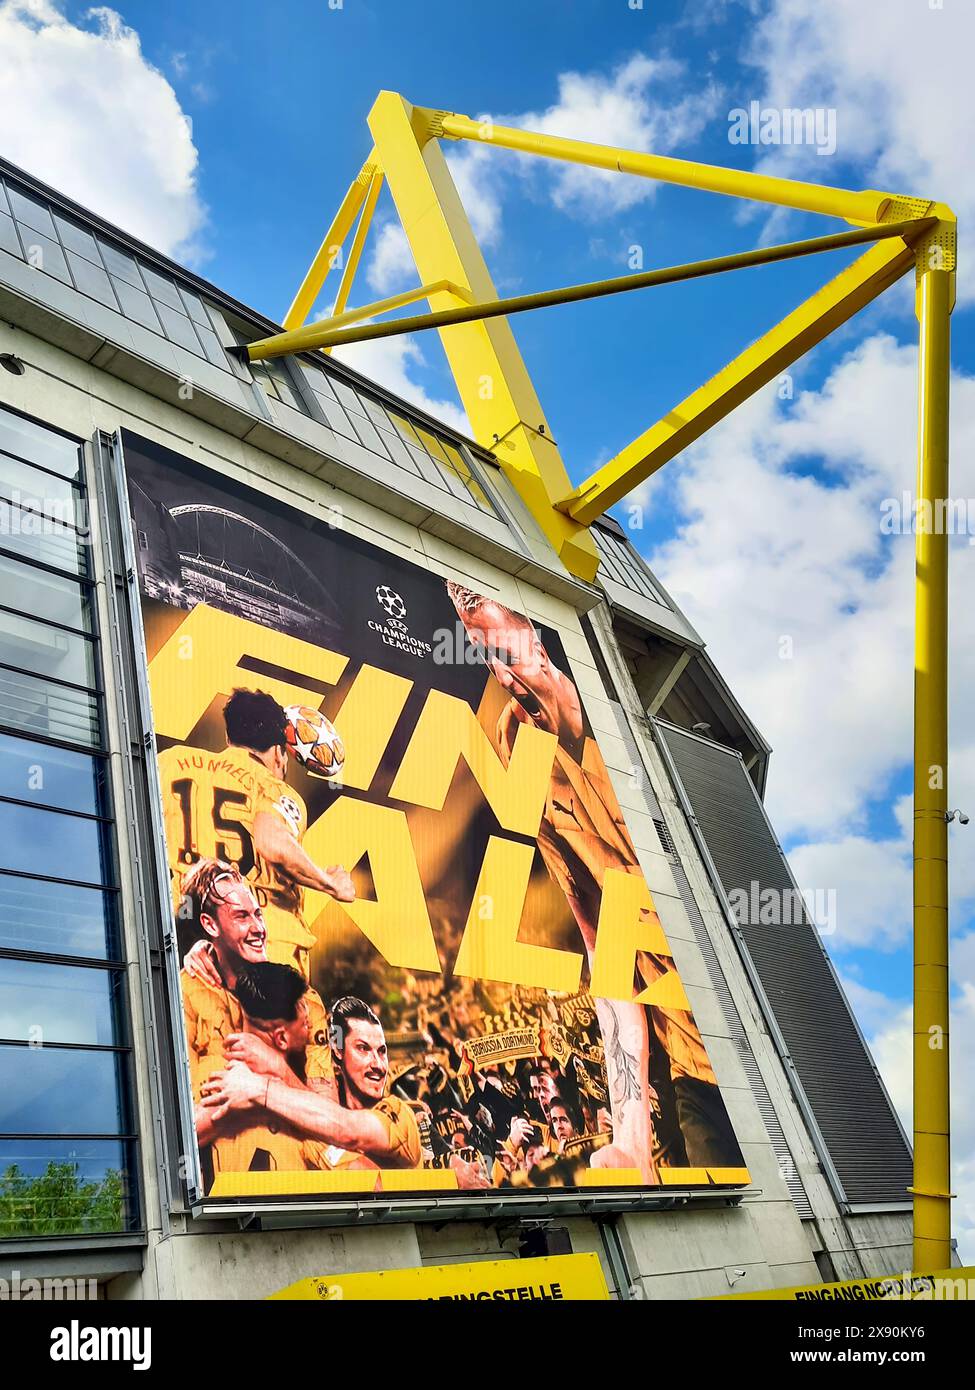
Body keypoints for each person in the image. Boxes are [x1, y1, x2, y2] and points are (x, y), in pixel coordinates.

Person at [447, 582, 741, 1176]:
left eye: (506, 656)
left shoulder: (628, 727)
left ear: (539, 636)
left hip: (746, 1045)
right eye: (486, 663)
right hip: (693, 1071)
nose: (504, 680)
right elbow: (607, 958)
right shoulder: (515, 749)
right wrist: (630, 1134)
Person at [159, 687, 354, 987]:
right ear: (278, 751)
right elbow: (271, 842)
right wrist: (331, 884)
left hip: (189, 952)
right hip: (269, 957)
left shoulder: (171, 763)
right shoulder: (276, 790)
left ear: (230, 737)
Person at [178, 861, 334, 1181]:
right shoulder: (187, 994)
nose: (257, 928)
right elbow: (185, 1133)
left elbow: (332, 1120)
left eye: (257, 914)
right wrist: (246, 1099)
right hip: (225, 1203)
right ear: (209, 924)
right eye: (241, 916)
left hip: (308, 1195)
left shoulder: (304, 1000)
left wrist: (273, 1074)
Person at [201, 995, 421, 1172]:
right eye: (363, 1049)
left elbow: (349, 1132)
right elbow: (324, 1116)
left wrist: (262, 1087)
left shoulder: (400, 1114)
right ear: (337, 1049)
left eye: (382, 1052)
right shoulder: (316, 1113)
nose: (378, 1064)